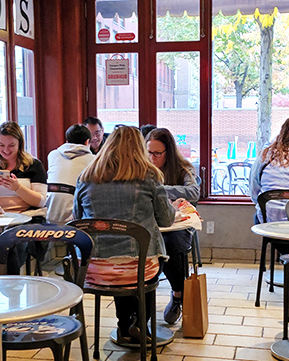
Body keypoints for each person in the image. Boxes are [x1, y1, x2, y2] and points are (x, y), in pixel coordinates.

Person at [73, 126, 175, 343]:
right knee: (143, 261)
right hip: (137, 270)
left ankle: (124, 326)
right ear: (139, 148)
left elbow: (77, 220)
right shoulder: (150, 176)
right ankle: (139, 322)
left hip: (94, 269)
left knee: (119, 262)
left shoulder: (86, 177)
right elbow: (166, 219)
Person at [145, 127, 201, 325]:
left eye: (157, 153)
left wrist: (160, 190)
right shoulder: (143, 167)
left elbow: (194, 192)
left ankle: (178, 294)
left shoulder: (183, 167)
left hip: (178, 225)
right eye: (149, 152)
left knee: (170, 242)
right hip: (151, 223)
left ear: (168, 152)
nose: (152, 158)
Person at [0, 121, 47, 214]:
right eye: (1, 145)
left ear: (19, 144)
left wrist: (17, 188)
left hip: (27, 217)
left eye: (11, 145)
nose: (6, 150)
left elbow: (41, 202)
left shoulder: (33, 165)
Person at [46, 124, 94, 224]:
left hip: (50, 214)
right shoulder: (94, 160)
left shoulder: (53, 155)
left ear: (67, 141)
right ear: (87, 142)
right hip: (75, 220)